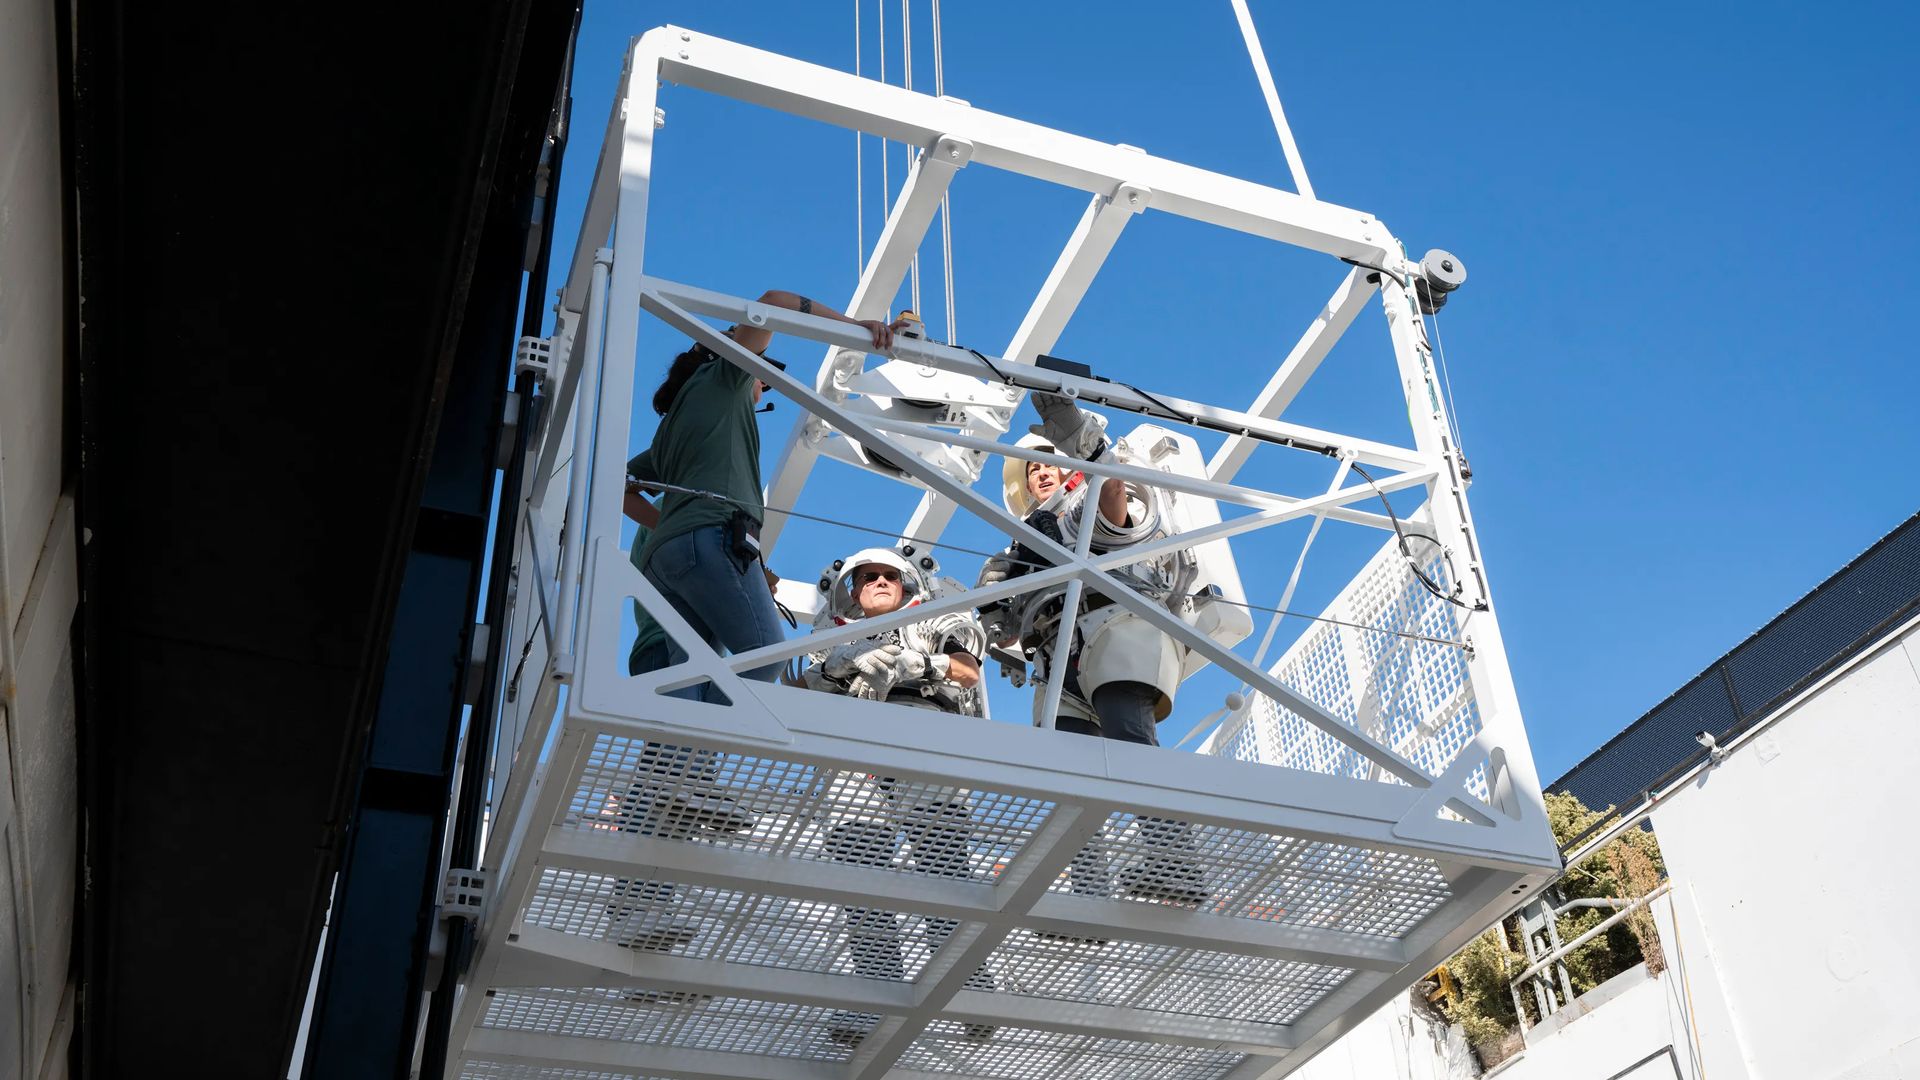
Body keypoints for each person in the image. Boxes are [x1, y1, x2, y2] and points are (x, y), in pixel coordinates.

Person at [976, 392, 1214, 906]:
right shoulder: (1023, 543)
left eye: (1049, 462)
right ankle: (1088, 894)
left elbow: (1114, 503)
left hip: (1116, 627)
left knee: (1130, 739)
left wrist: (1083, 444)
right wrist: (995, 598)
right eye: (1033, 468)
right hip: (1056, 658)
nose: (1043, 472)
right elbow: (1008, 635)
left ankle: (1178, 864)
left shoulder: (1084, 506)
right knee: (1070, 778)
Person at [625, 291, 903, 701]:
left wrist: (671, 524)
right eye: (761, 371)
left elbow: (622, 486)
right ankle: (715, 726)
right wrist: (855, 327)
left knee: (688, 675)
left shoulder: (671, 428)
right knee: (765, 655)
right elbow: (773, 300)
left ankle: (691, 739)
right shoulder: (723, 378)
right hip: (711, 538)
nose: (763, 381)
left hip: (665, 558)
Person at [800, 547, 997, 1045]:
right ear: (853, 589)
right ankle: (877, 997)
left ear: (907, 582)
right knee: (863, 882)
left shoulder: (934, 620)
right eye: (868, 577)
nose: (880, 582)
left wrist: (918, 664)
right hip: (856, 753)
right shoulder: (831, 640)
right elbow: (799, 689)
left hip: (922, 739)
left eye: (890, 575)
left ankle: (969, 987)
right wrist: (838, 665)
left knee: (943, 871)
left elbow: (968, 670)